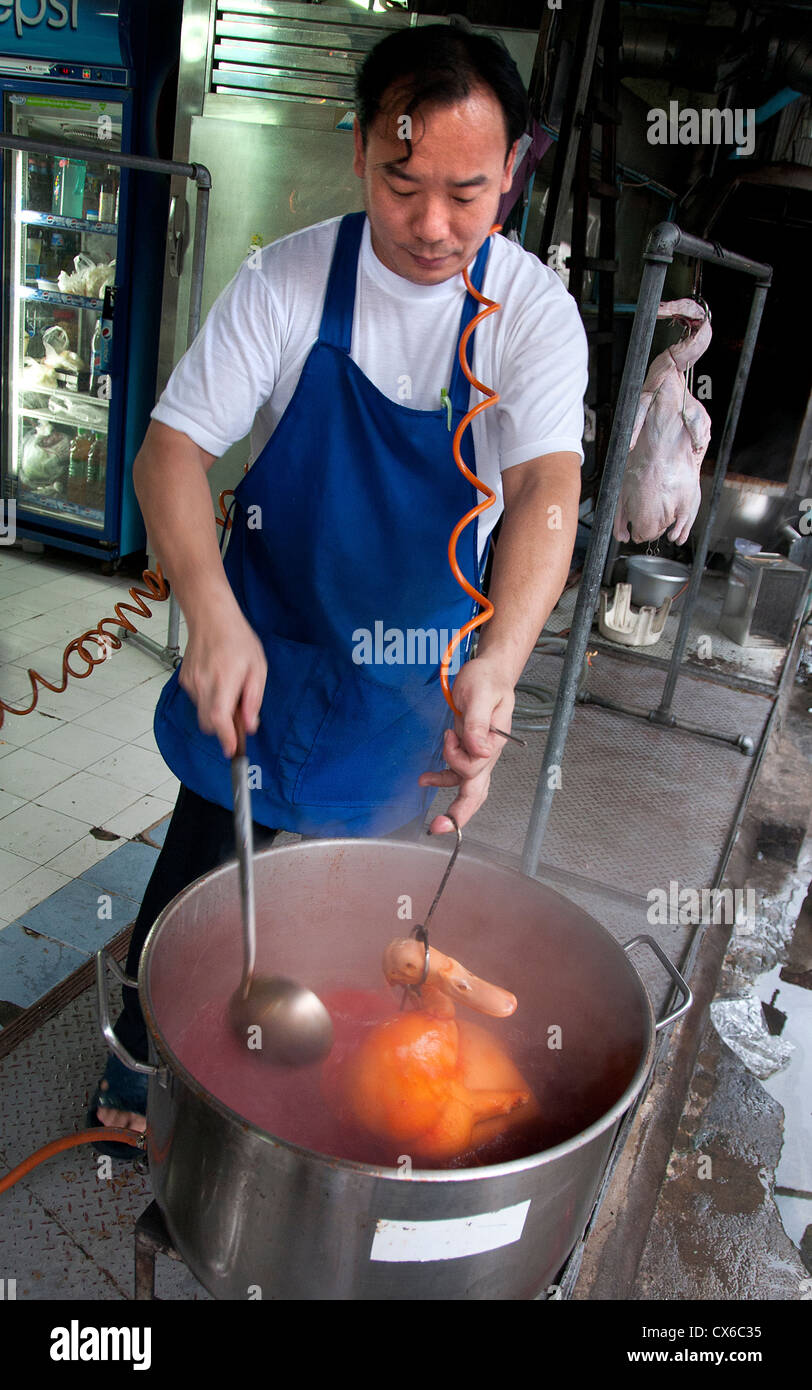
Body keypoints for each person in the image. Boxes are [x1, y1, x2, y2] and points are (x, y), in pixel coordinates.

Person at [89, 25, 587, 1150]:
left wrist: (499, 668)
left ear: (512, 169)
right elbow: (170, 453)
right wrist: (208, 617)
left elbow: (547, 494)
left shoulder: (533, 316)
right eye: (401, 184)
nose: (429, 226)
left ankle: (313, 1124)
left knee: (371, 933)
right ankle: (133, 1084)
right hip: (262, 669)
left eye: (467, 192)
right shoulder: (286, 281)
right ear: (360, 149)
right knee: (194, 905)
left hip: (411, 695)